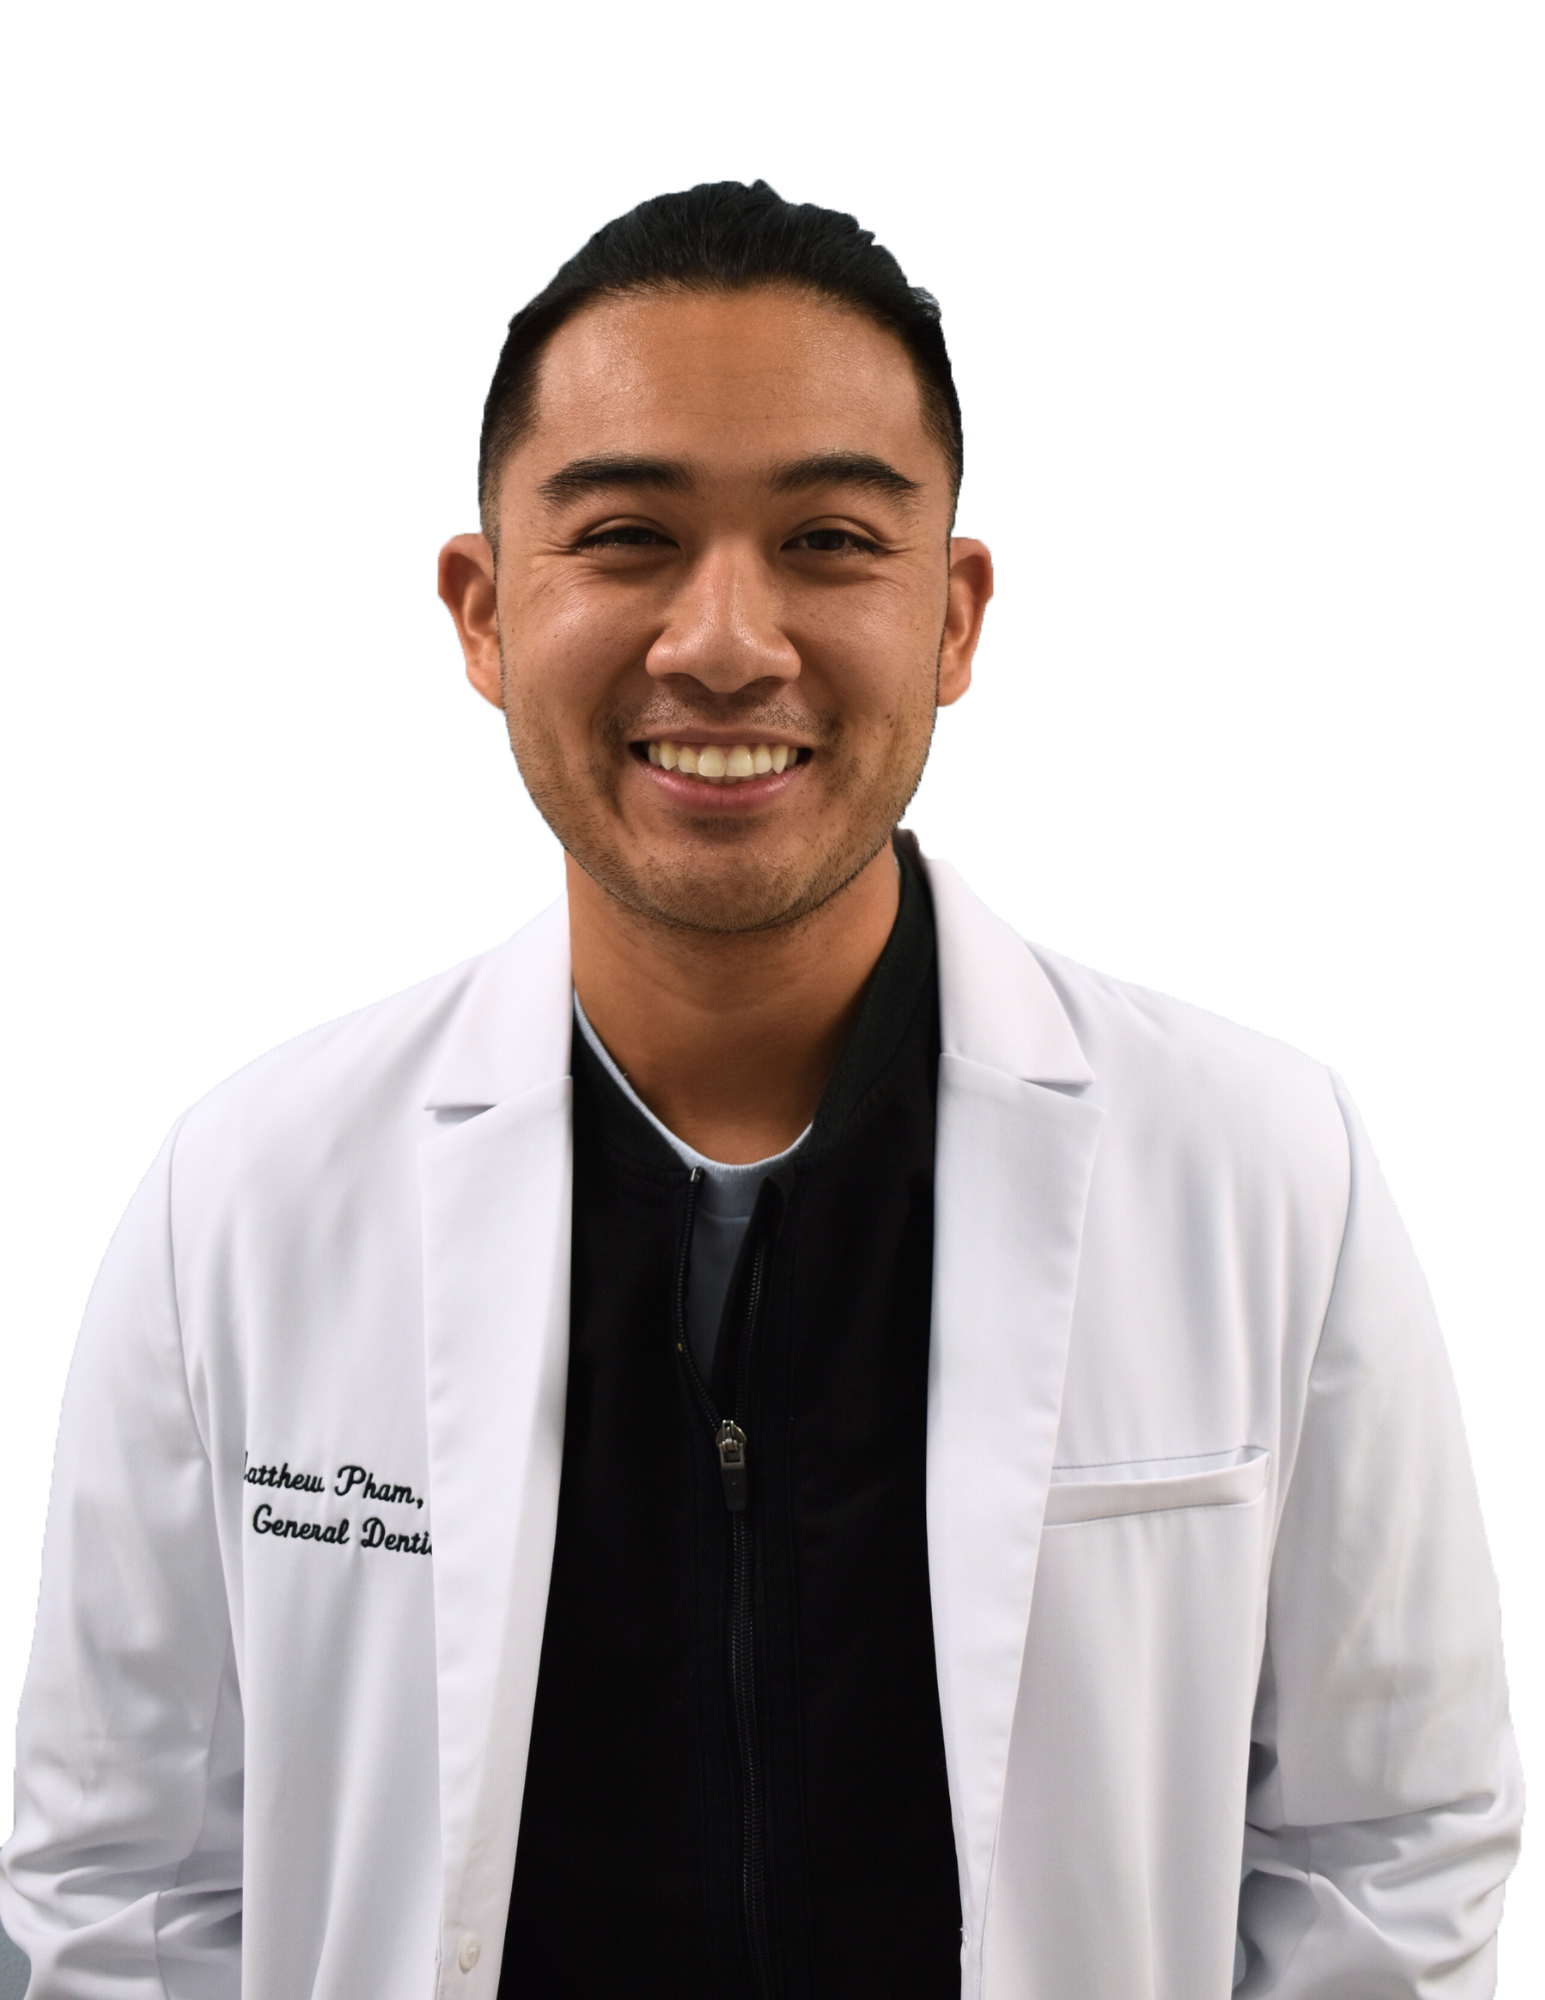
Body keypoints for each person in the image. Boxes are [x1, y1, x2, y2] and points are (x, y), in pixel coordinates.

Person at [0, 180, 1522, 2000]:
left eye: (828, 540)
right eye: (628, 536)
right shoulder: (248, 1197)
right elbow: (117, 1888)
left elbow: (1388, 1845)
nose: (725, 641)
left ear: (953, 617)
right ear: (483, 614)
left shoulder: (1262, 1171)